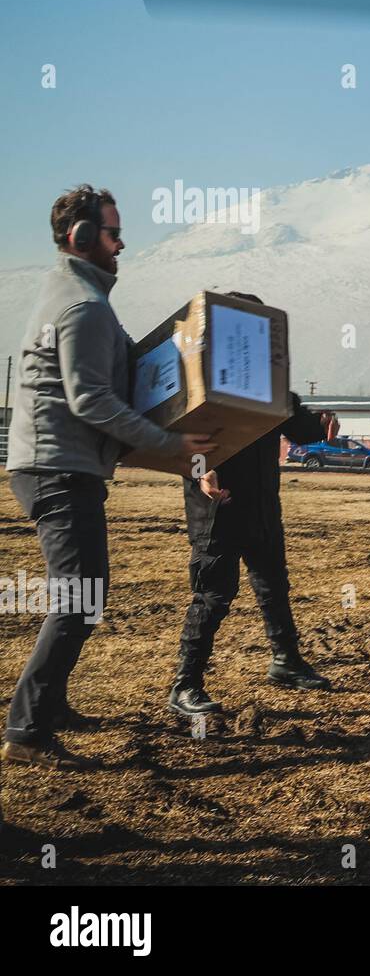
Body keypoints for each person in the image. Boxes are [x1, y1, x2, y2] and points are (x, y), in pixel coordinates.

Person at [2, 186, 216, 769]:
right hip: (56, 468)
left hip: (54, 465)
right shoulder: (84, 306)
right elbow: (92, 400)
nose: (121, 243)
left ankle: (52, 707)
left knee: (80, 596)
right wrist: (174, 444)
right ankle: (27, 732)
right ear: (81, 238)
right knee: (79, 599)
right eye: (113, 232)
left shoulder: (76, 296)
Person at [170, 298, 333, 716]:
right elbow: (179, 439)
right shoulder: (198, 382)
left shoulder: (267, 383)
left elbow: (299, 424)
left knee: (273, 586)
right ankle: (185, 685)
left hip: (262, 505)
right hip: (217, 508)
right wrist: (201, 470)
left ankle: (285, 661)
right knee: (213, 594)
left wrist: (322, 424)